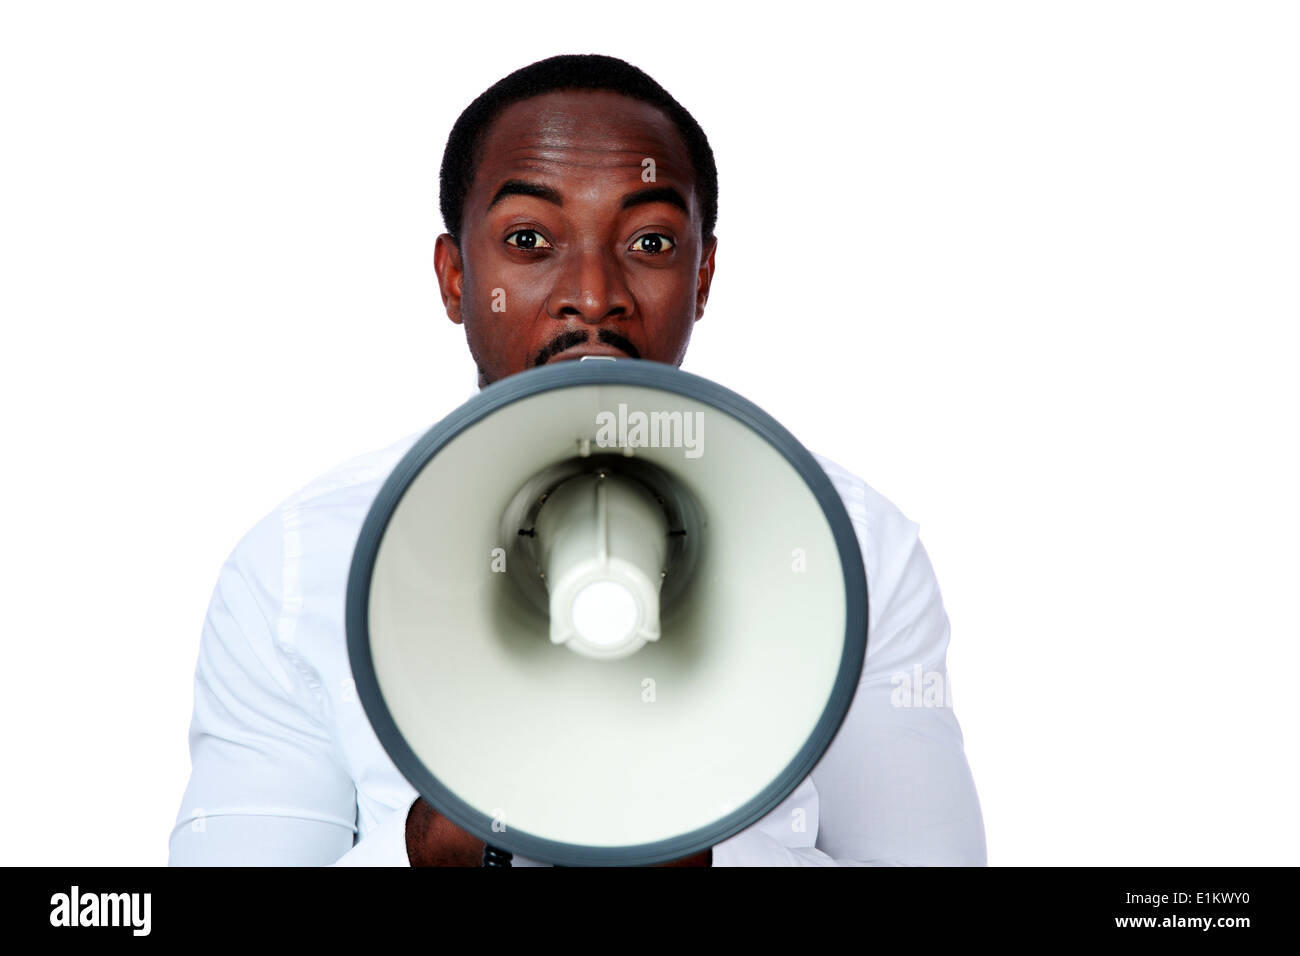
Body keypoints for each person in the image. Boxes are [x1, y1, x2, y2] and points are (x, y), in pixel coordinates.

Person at [168, 53, 987, 867]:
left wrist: (701, 853)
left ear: (702, 275)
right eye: (529, 239)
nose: (594, 296)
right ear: (457, 278)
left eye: (651, 241)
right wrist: (430, 849)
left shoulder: (852, 550)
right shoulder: (295, 566)